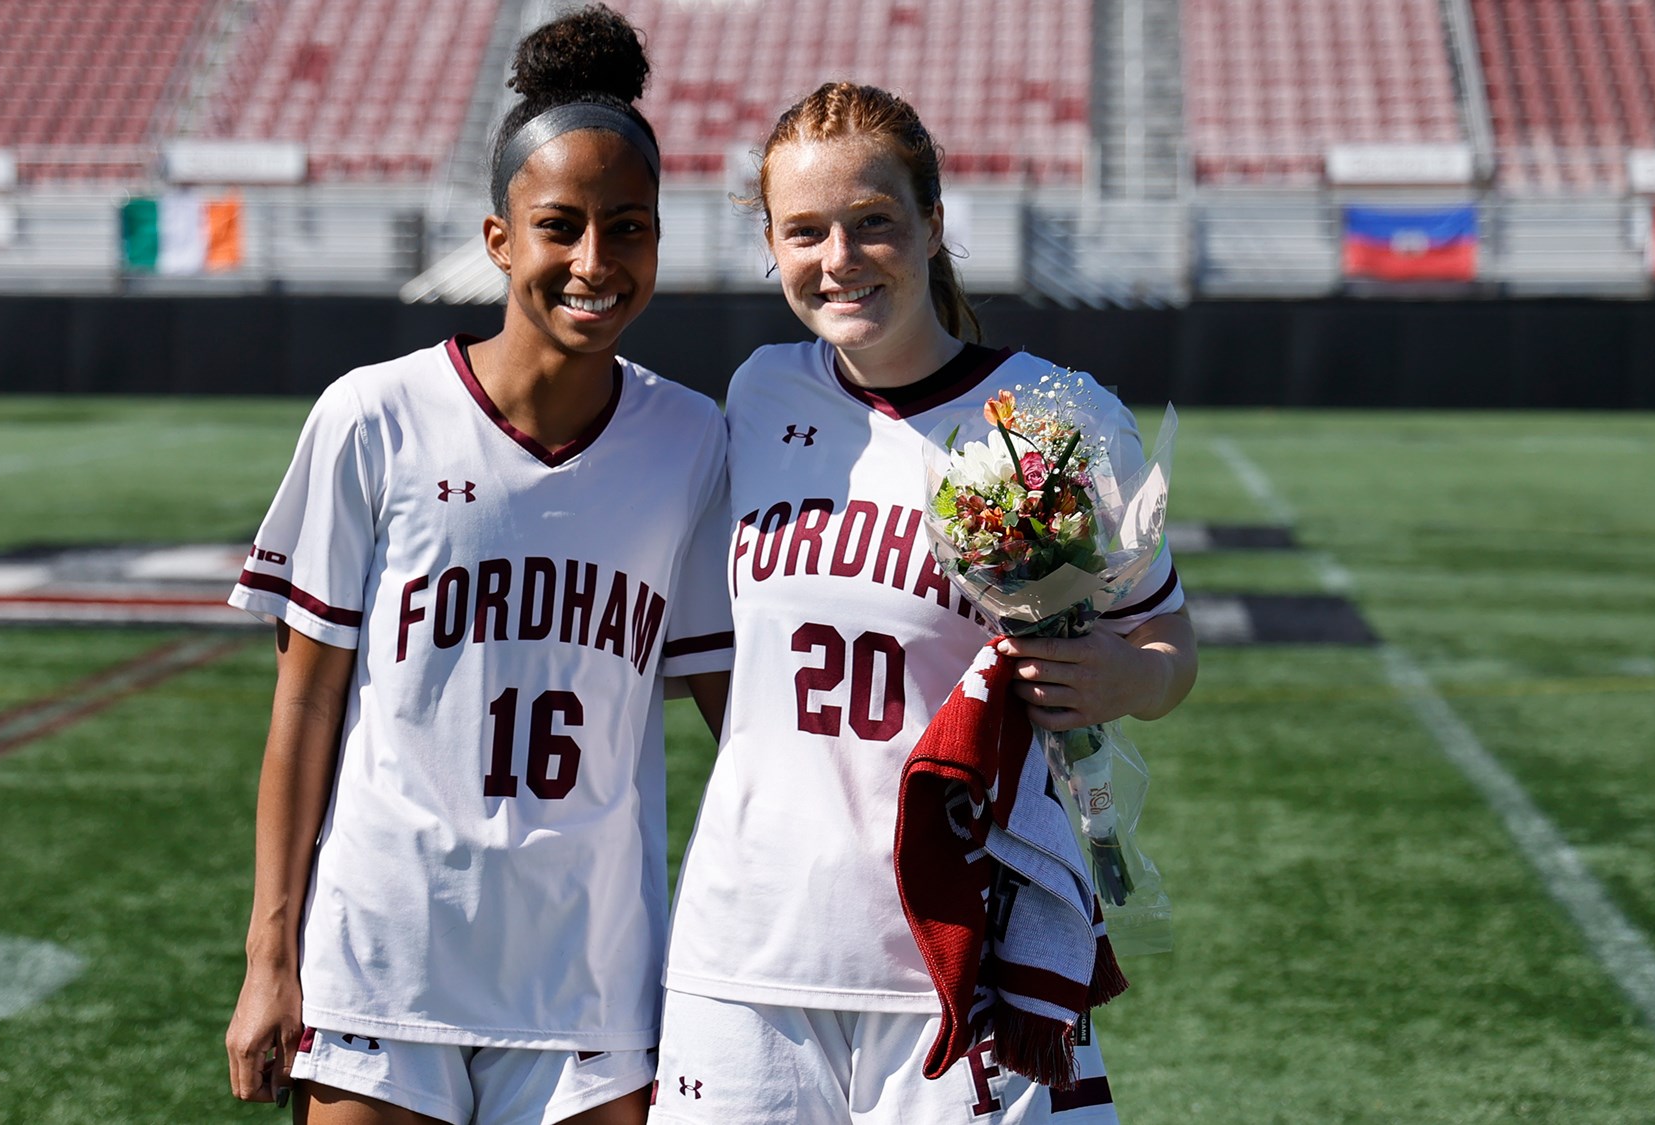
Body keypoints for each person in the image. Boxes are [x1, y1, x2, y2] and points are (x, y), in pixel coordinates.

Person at [223, 8, 732, 1123]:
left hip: (589, 975)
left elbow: (740, 724)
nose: (594, 262)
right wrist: (270, 959)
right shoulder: (373, 417)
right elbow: (304, 709)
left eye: (628, 228)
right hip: (381, 957)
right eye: (559, 226)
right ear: (499, 239)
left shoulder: (692, 441)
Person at [652, 83, 1198, 1124]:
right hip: (744, 951)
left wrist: (1129, 679)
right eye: (802, 231)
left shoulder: (1054, 416)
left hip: (957, 948)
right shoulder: (761, 394)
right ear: (768, 244)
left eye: (872, 224)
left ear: (934, 225)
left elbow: (1167, 644)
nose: (838, 259)